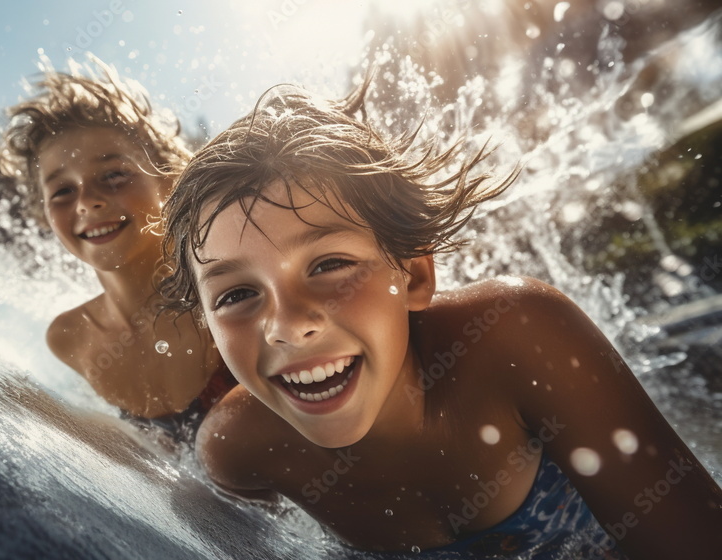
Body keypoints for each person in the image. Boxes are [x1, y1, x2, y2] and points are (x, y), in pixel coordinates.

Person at [157, 76, 722, 558]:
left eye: (329, 264)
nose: (287, 323)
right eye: (235, 296)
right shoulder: (237, 452)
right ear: (208, 324)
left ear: (416, 277)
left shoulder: (518, 335)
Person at [0, 58, 235, 442]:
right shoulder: (71, 339)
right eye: (62, 191)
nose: (87, 202)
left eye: (113, 175)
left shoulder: (228, 292)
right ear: (43, 215)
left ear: (170, 179)